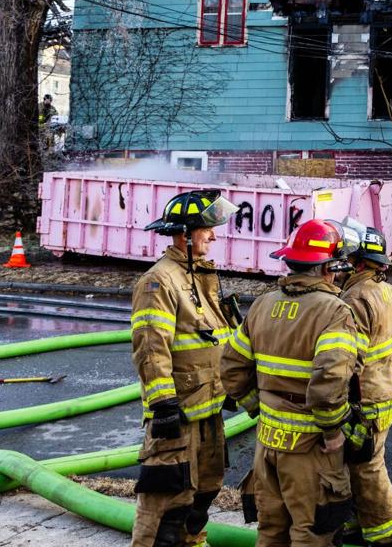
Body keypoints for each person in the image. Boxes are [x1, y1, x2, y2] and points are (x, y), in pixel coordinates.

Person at [221, 219, 361, 547]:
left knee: (271, 533)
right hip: (311, 450)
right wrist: (332, 433)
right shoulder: (334, 312)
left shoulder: (263, 305)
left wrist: (261, 408)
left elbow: (230, 368)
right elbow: (328, 385)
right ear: (329, 268)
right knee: (312, 535)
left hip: (268, 446)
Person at [131, 189, 239, 547]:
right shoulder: (159, 281)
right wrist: (163, 405)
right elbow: (150, 346)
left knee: (201, 498)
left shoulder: (197, 276)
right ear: (184, 234)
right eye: (206, 228)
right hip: (177, 417)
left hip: (206, 412)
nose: (213, 235)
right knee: (166, 508)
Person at [336, 221, 392, 547]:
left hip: (363, 403)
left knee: (366, 469)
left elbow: (350, 362)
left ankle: (389, 533)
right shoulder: (388, 293)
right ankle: (355, 525)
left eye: (348, 259)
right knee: (355, 468)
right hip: (383, 398)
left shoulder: (355, 298)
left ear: (358, 261)